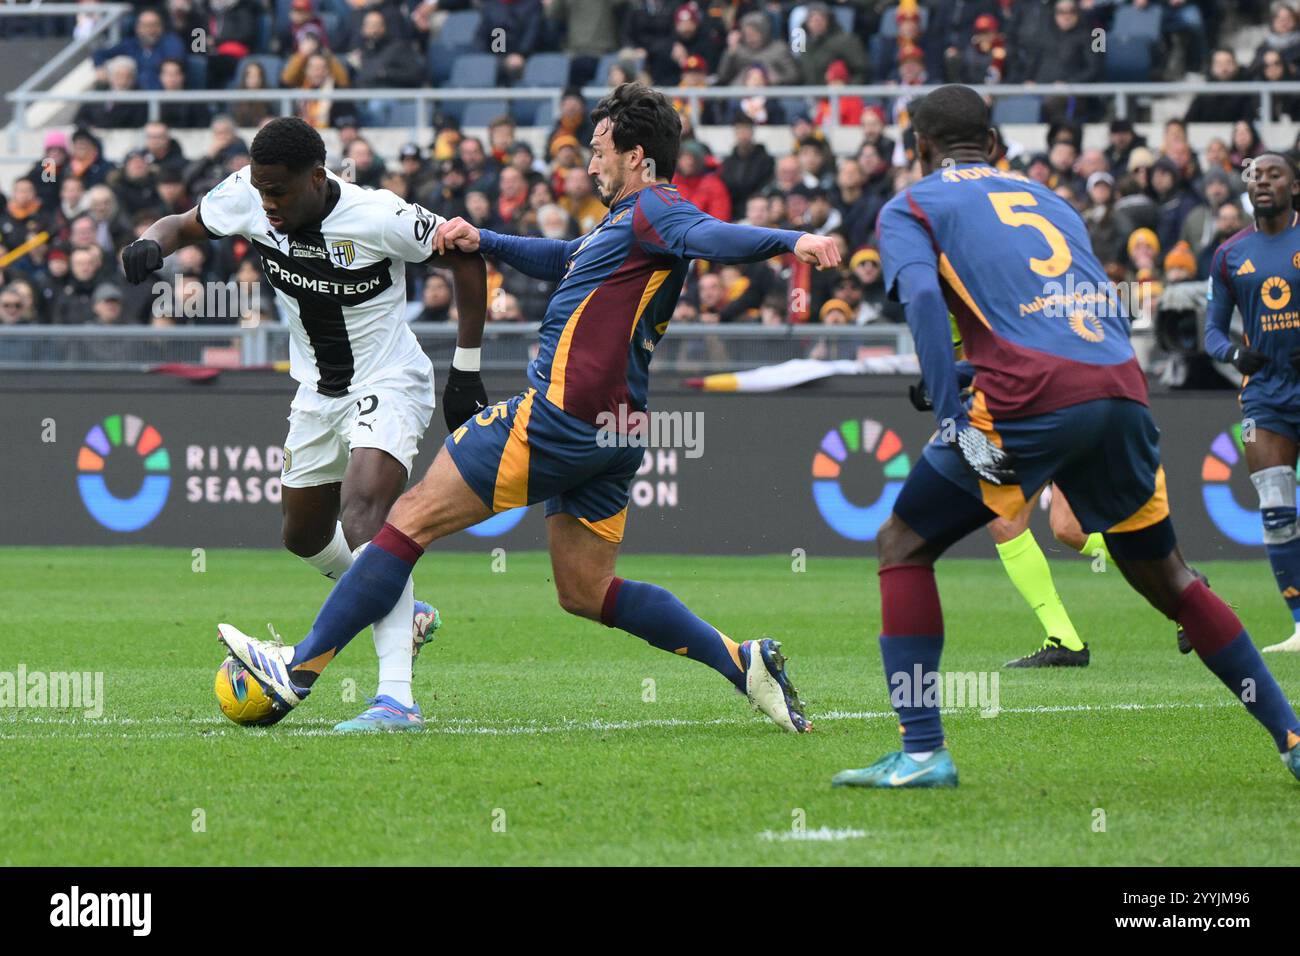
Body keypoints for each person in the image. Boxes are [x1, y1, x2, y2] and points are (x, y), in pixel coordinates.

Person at [214, 84, 841, 733]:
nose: (588, 167)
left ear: (636, 155)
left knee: (405, 523)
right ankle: (742, 662)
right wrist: (482, 238)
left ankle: (300, 673)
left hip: (561, 417)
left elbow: (713, 234)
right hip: (614, 433)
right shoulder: (625, 225)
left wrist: (790, 241)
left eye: (598, 152)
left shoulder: (659, 209)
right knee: (586, 591)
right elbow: (561, 257)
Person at [834, 85, 1300, 789]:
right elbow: (1070, 312)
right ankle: (1292, 735)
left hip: (1026, 400)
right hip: (1117, 387)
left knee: (904, 543)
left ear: (919, 149)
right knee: (1171, 581)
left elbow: (925, 299)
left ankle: (923, 750)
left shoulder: (913, 205)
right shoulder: (1052, 201)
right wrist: (964, 368)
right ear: (994, 145)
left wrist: (950, 415)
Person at [119, 118, 491, 731]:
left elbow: (466, 260)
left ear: (318, 178)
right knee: (303, 535)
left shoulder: (381, 217)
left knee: (367, 518)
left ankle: (396, 699)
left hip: (388, 381)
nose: (268, 204)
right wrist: (153, 243)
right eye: (261, 191)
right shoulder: (247, 194)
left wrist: (468, 370)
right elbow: (183, 223)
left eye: (280, 192)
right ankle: (397, 601)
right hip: (316, 392)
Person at [1203, 152, 1300, 654]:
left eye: (1274, 174)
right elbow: (1212, 333)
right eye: (1254, 176)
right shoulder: (1230, 254)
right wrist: (1237, 354)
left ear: (1294, 184)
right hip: (1266, 396)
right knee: (1278, 509)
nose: (1262, 182)